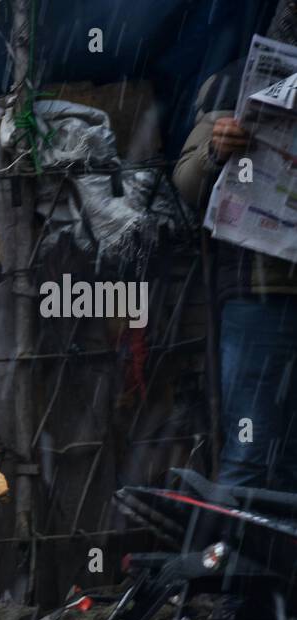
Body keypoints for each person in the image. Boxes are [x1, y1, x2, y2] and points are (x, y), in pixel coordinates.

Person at [173, 0, 297, 489]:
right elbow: (186, 183)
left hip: (261, 298)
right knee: (251, 456)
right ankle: (233, 560)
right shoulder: (234, 83)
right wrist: (216, 151)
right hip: (261, 295)